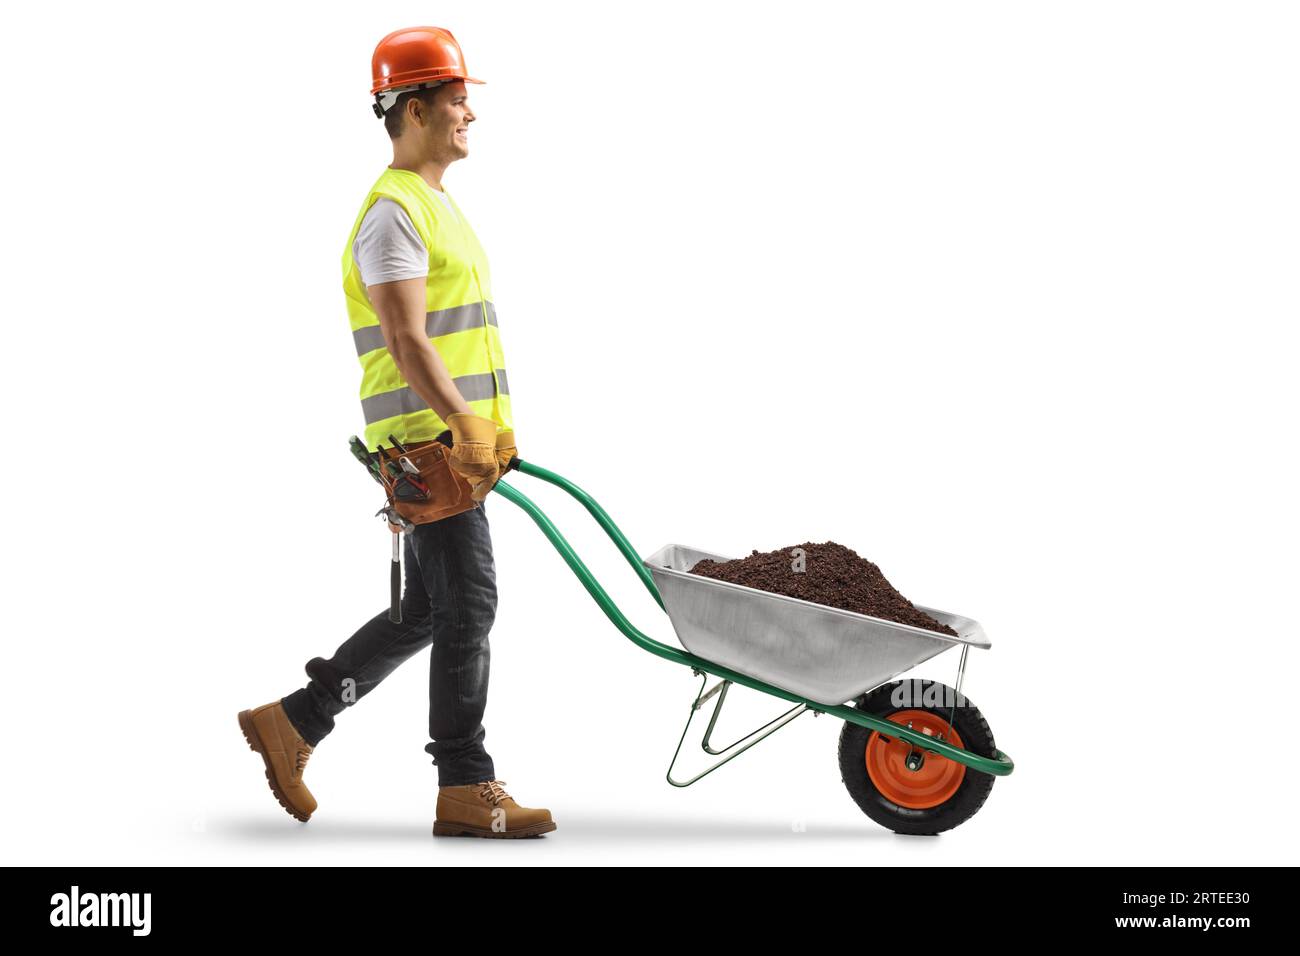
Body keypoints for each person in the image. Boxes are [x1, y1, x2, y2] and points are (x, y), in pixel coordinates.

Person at [237, 26, 555, 839]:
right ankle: (464, 783)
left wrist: (484, 429)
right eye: (456, 100)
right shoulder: (393, 215)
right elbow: (407, 339)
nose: (470, 115)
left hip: (452, 446)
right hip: (428, 448)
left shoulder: (435, 204)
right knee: (470, 606)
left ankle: (295, 722)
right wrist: (460, 423)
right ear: (414, 108)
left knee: (428, 609)